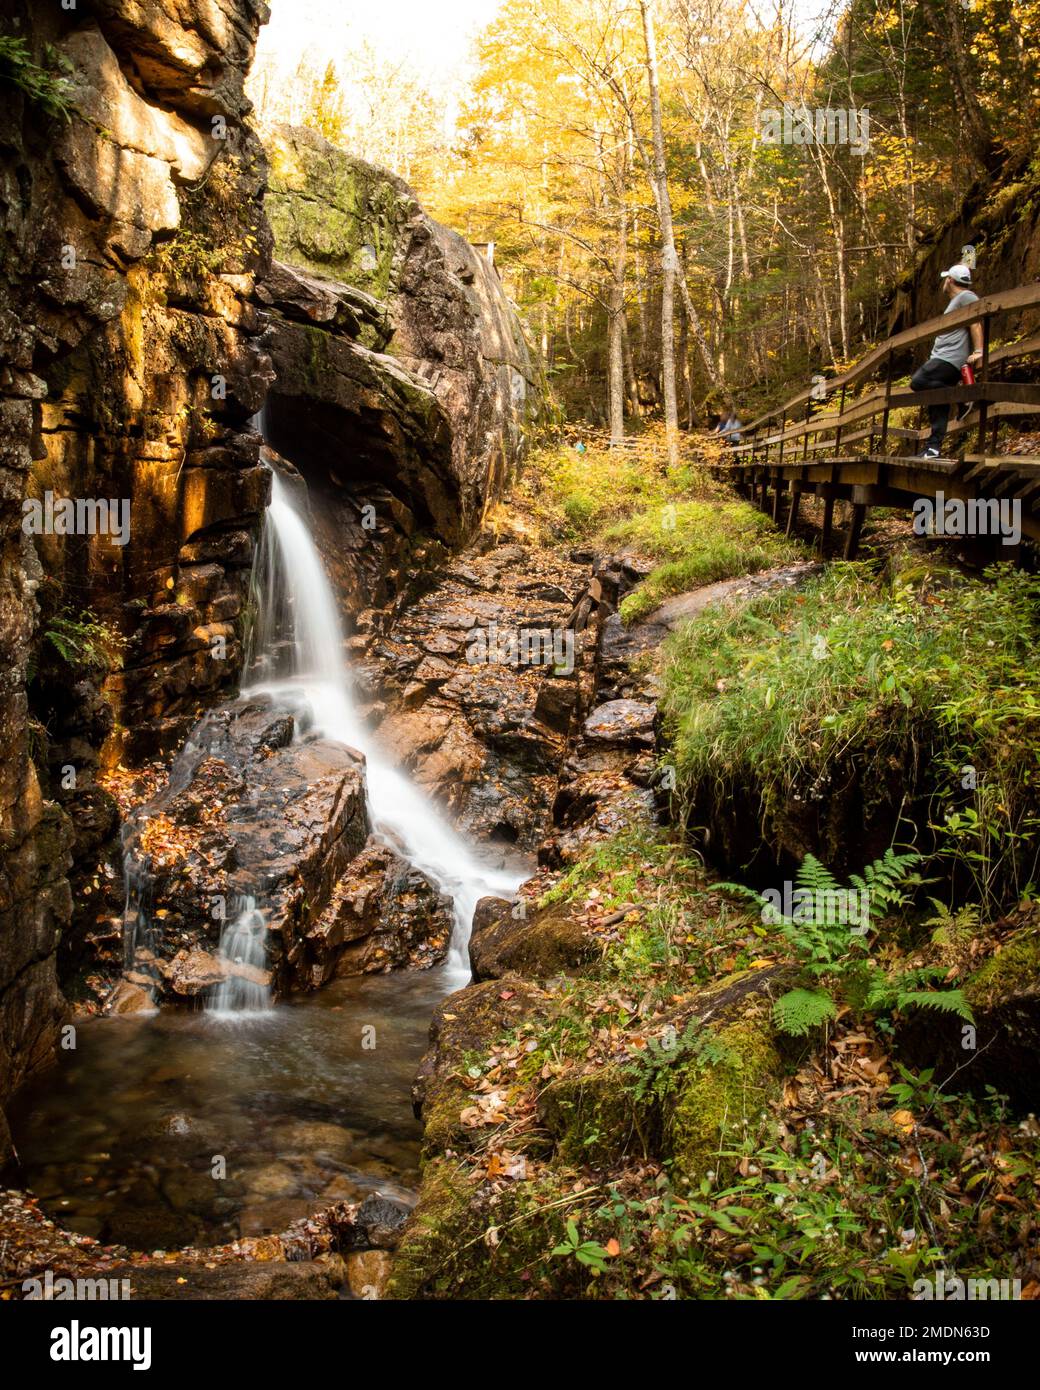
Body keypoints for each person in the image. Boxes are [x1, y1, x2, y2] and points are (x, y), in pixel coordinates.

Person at [910, 264, 982, 459]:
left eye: (945, 279)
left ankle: (961, 397)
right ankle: (933, 448)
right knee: (937, 400)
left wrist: (979, 351)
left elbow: (975, 323)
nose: (943, 282)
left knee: (918, 382)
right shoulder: (956, 301)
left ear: (949, 280)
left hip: (950, 359)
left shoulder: (966, 296)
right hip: (943, 357)